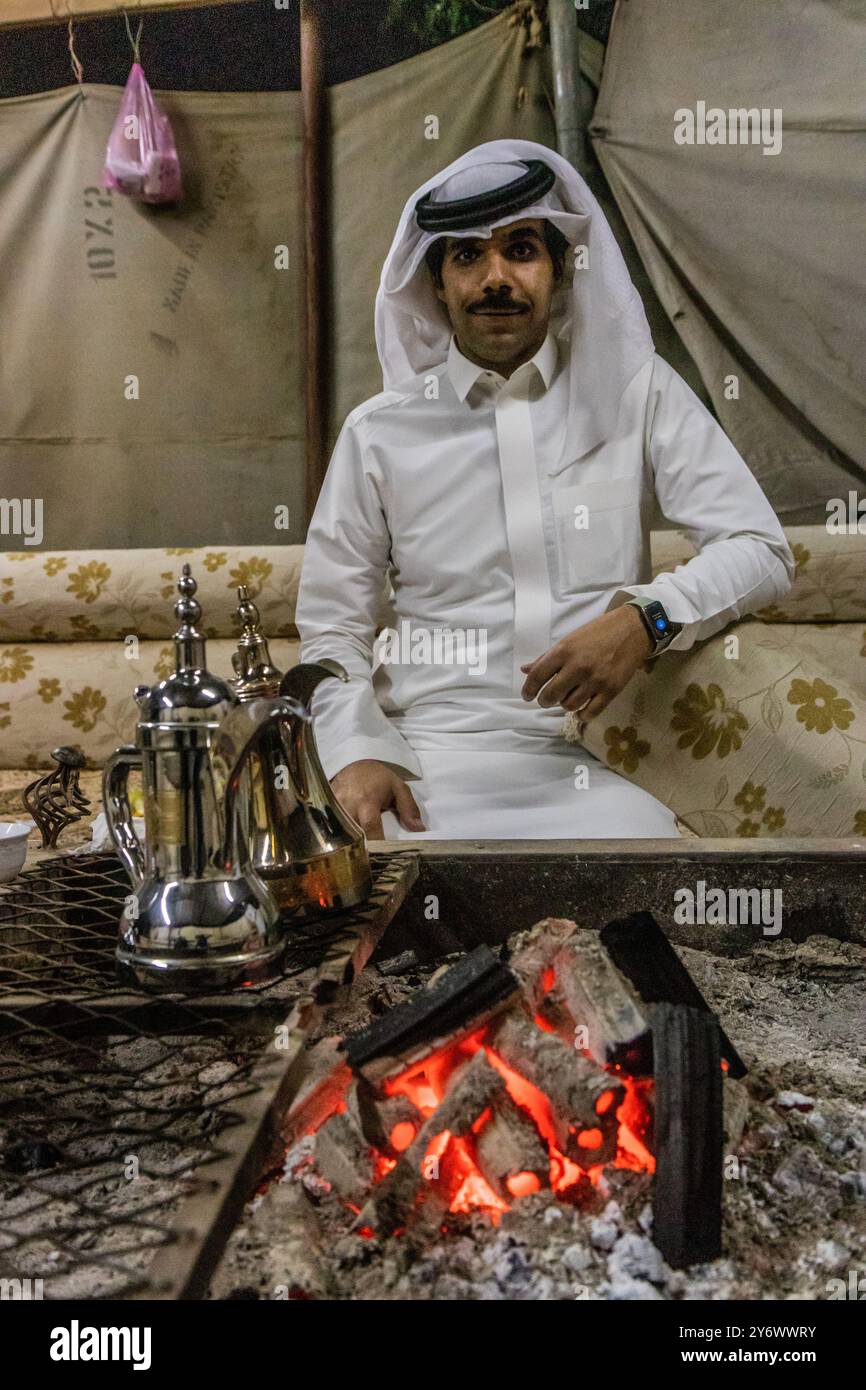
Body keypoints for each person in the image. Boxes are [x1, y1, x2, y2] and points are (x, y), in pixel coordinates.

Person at [296, 140, 795, 841]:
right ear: (435, 283)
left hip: (603, 760)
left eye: (521, 250)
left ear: (560, 271)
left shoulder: (636, 394)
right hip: (426, 762)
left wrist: (645, 620)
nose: (495, 277)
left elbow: (762, 550)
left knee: (656, 905)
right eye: (467, 256)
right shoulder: (378, 434)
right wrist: (355, 752)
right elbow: (332, 627)